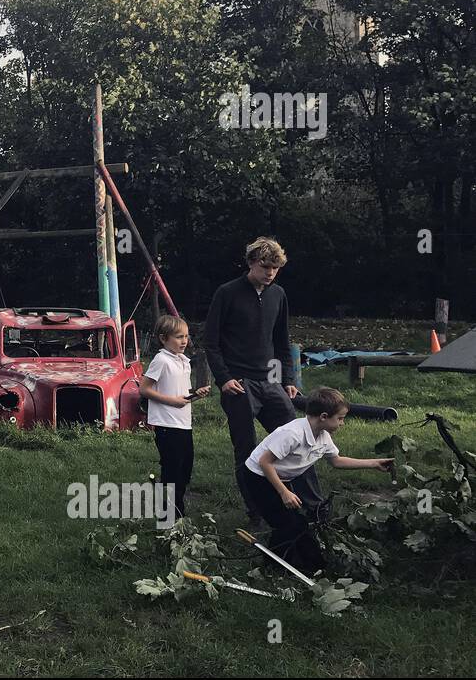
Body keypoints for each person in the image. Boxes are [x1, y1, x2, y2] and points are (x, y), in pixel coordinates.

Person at [244, 386, 392, 575]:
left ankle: (314, 566)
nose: (342, 423)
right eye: (340, 418)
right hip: (259, 476)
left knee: (295, 522)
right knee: (286, 523)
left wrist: (374, 463)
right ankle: (276, 567)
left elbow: (336, 461)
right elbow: (265, 462)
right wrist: (284, 492)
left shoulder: (323, 436)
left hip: (281, 476)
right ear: (323, 416)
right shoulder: (292, 434)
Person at [204, 236, 299, 525]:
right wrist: (224, 379)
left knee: (292, 439)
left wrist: (287, 379)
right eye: (265, 266)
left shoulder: (278, 294)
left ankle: (295, 499)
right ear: (251, 263)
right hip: (239, 383)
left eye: (275, 268)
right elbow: (211, 342)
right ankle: (256, 511)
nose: (270, 273)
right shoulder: (227, 292)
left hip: (270, 382)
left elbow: (282, 341)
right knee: (246, 449)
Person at [140, 314, 210, 519]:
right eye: (179, 337)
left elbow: (182, 394)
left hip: (183, 424)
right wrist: (172, 402)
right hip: (166, 425)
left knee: (184, 470)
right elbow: (144, 389)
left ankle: (176, 513)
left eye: (186, 337)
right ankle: (169, 518)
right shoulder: (161, 360)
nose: (184, 341)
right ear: (163, 339)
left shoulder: (184, 361)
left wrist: (195, 395)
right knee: (173, 474)